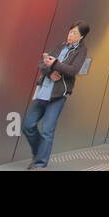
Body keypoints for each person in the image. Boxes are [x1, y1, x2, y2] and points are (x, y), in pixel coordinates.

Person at [23, 21, 90, 170]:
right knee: (28, 125)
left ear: (81, 37)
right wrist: (50, 71)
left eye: (75, 33)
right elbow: (42, 64)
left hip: (58, 95)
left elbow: (73, 70)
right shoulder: (60, 45)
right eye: (70, 31)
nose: (71, 35)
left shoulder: (81, 51)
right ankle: (40, 152)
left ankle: (39, 164)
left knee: (48, 129)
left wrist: (54, 64)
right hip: (43, 91)